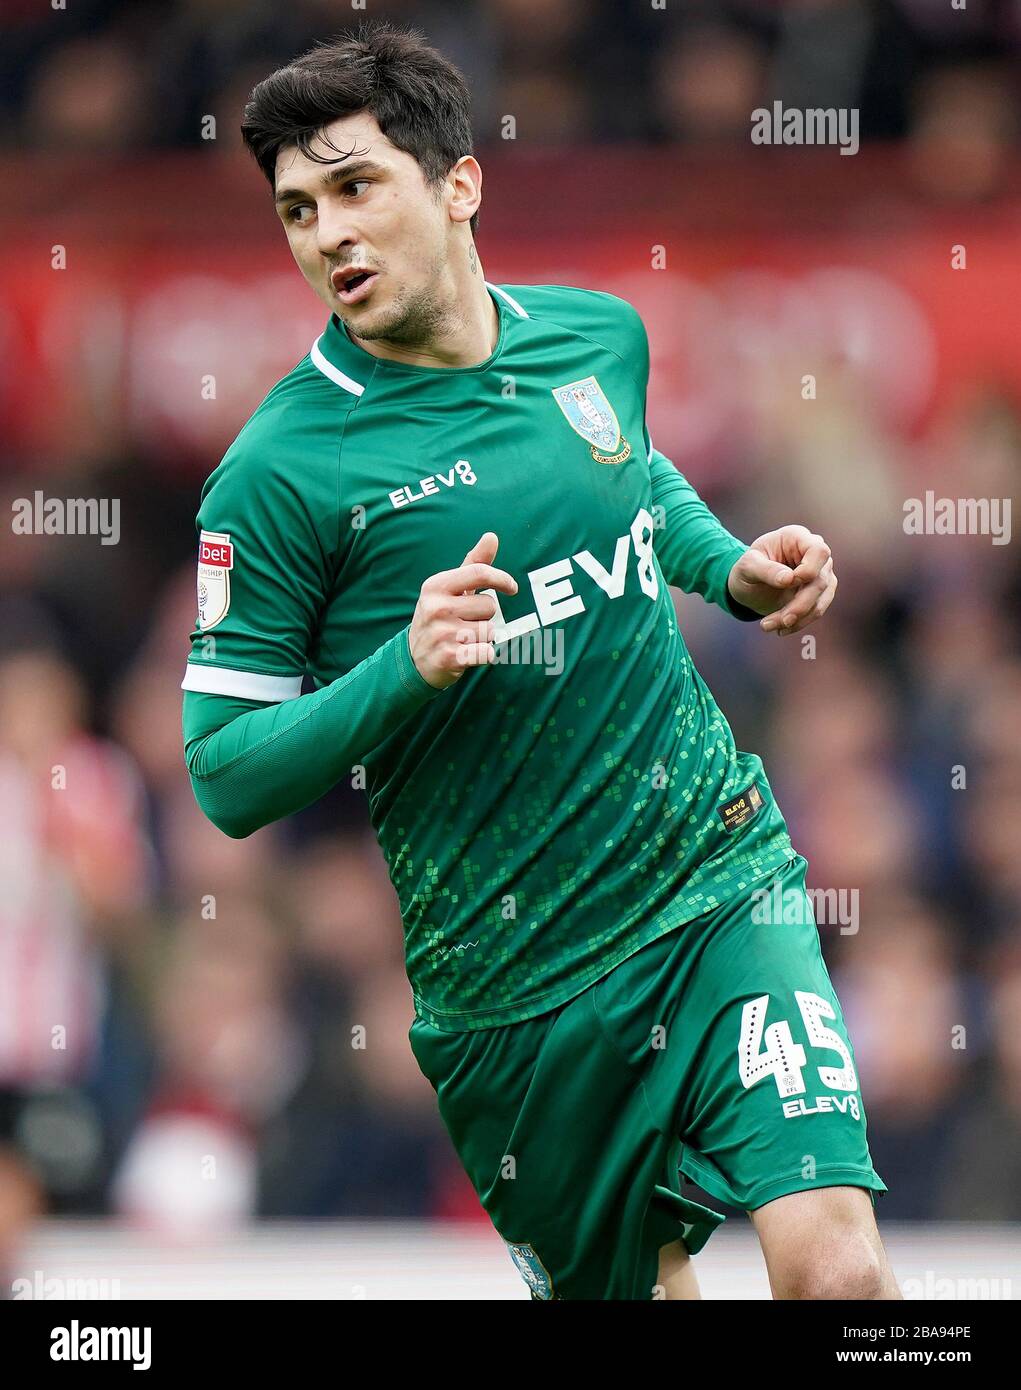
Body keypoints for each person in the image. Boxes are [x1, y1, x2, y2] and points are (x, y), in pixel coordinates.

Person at [181, 21, 897, 1300]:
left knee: (836, 1272)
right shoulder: (279, 475)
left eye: (355, 187)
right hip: (514, 997)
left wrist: (725, 565)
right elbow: (223, 772)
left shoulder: (595, 338)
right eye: (297, 210)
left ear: (458, 182)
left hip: (715, 879)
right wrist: (402, 668)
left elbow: (623, 464)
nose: (327, 234)